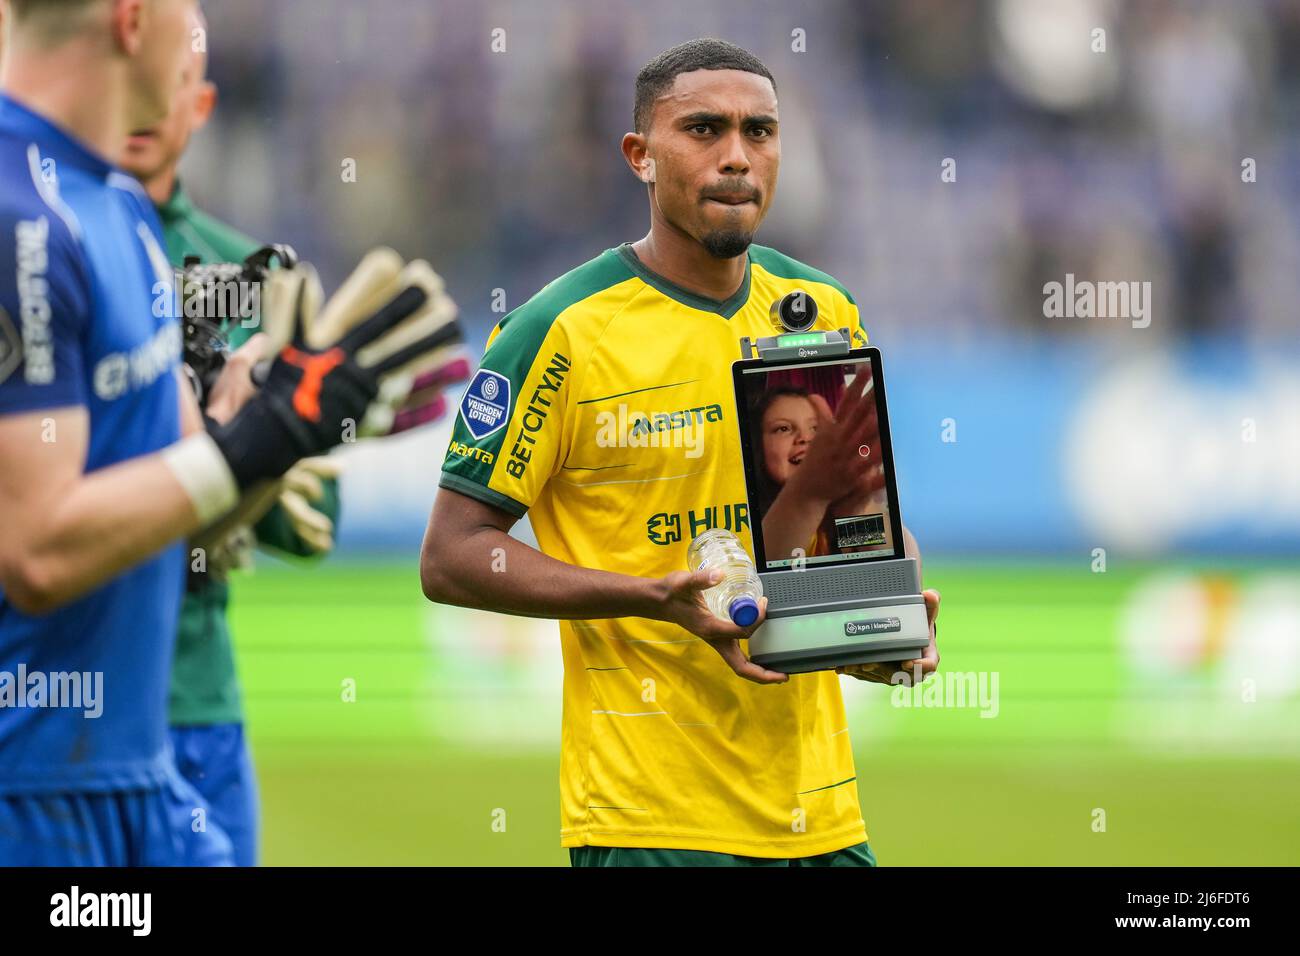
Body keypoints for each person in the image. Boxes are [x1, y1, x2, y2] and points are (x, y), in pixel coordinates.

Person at [422, 38, 941, 867]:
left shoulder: (821, 310)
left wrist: (889, 614)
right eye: (704, 130)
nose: (738, 156)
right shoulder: (559, 331)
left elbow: (860, 520)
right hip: (650, 824)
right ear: (640, 156)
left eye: (760, 132)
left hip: (822, 818)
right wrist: (650, 596)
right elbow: (451, 557)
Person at [0, 0, 453, 865]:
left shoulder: (118, 211)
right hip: (29, 789)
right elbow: (37, 553)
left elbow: (185, 495)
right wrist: (258, 441)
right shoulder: (18, 212)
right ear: (132, 20)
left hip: (139, 783)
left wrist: (277, 439)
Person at [115, 4, 338, 867]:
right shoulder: (37, 241)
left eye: (166, 86)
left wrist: (256, 490)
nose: (142, 107)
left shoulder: (246, 271)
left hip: (196, 689)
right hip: (55, 685)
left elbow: (324, 504)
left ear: (200, 105)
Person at [753, 379, 893, 562]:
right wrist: (810, 493)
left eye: (815, 428)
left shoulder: (841, 511)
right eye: (783, 428)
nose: (805, 438)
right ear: (758, 446)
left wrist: (858, 511)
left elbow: (896, 569)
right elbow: (767, 579)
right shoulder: (749, 522)